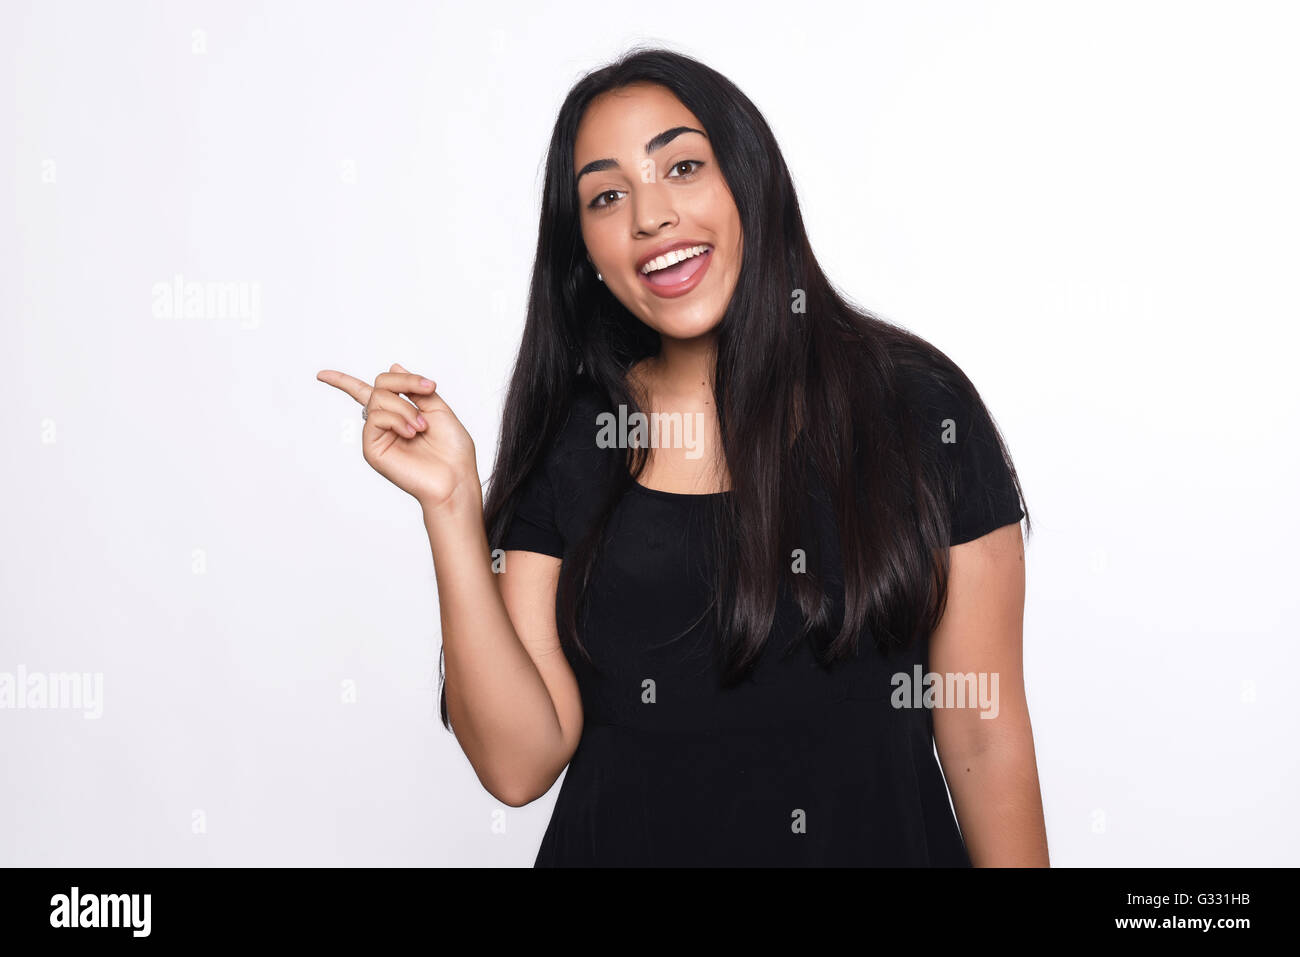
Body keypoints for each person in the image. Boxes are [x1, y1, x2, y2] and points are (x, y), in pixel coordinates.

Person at [318, 47, 1048, 867]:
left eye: (683, 167)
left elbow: (985, 737)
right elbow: (519, 764)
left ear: (749, 181)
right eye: (607, 195)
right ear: (584, 251)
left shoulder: (918, 411)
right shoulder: (577, 440)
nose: (651, 216)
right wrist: (451, 506)